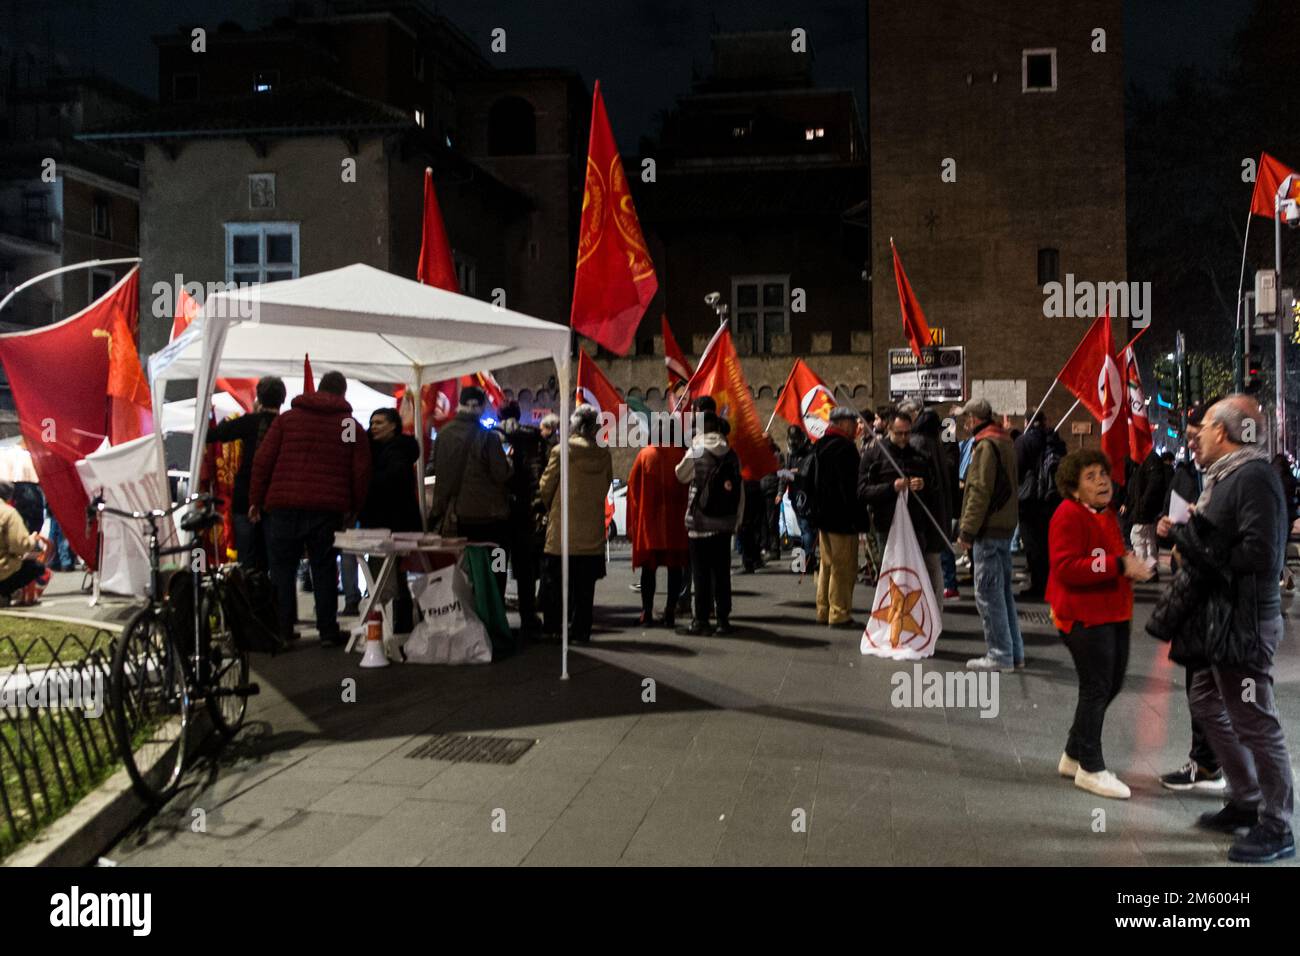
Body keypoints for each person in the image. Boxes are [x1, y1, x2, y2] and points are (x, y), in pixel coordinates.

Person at [1157, 395, 1295, 863]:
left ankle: (1277, 826)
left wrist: (1196, 545)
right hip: (1219, 617)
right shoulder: (1227, 476)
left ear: (1225, 431)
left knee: (1255, 719)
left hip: (1245, 620)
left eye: (1206, 427)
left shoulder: (1253, 476)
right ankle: (1245, 799)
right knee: (1206, 700)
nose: (1196, 437)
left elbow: (1260, 553)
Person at [1047, 450, 1153, 799]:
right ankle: (1090, 767)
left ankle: (1073, 754)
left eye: (1103, 474)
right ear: (1074, 489)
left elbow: (1112, 556)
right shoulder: (1067, 515)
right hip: (1083, 616)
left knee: (1111, 685)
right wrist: (1119, 567)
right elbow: (1066, 568)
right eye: (1090, 476)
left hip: (1114, 612)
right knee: (1096, 688)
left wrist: (1130, 567)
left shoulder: (1106, 514)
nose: (1102, 481)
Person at [249, 370, 370, 646]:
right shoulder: (347, 427)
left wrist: (255, 500)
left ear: (318, 389)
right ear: (342, 394)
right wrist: (353, 509)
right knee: (324, 568)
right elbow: (360, 471)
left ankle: (283, 629)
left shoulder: (287, 420)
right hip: (326, 510)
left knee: (282, 569)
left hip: (283, 506)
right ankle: (327, 631)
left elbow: (262, 461)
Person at [1155, 399, 1225, 794]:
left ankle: (1213, 765)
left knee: (1210, 692)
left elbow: (1221, 550)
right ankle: (1214, 763)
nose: (1192, 444)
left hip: (1217, 609)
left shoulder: (1236, 481)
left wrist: (1182, 535)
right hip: (1204, 605)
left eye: (1197, 436)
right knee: (1204, 689)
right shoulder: (1203, 477)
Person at [955, 397, 1023, 671]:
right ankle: (1013, 652)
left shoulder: (985, 446)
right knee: (1003, 593)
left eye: (966, 418)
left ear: (974, 418)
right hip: (1004, 526)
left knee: (988, 593)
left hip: (988, 528)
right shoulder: (1004, 441)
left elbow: (979, 491)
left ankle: (999, 654)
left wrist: (967, 531)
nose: (964, 423)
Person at [536, 404, 612, 644]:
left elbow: (546, 486)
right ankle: (581, 631)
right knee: (585, 587)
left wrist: (550, 507)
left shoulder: (562, 451)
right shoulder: (603, 452)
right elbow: (607, 483)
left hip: (563, 530)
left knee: (555, 583)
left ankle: (554, 628)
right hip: (591, 531)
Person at [429, 385, 512, 599]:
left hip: (457, 516)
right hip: (490, 516)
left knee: (467, 566)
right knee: (498, 559)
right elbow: (501, 474)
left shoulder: (443, 435)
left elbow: (434, 469)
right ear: (480, 407)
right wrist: (510, 463)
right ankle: (495, 605)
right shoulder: (489, 438)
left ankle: (470, 608)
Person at [859, 410, 944, 606]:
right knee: (891, 575)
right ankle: (892, 618)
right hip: (886, 525)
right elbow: (863, 491)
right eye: (899, 433)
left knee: (914, 575)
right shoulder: (874, 455)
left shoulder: (919, 456)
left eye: (908, 433)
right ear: (889, 429)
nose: (905, 438)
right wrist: (891, 487)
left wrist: (923, 486)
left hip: (915, 525)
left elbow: (934, 491)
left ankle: (913, 617)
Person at [207, 376, 286, 572]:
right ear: (282, 399)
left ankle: (248, 599)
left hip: (245, 499)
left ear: (258, 398)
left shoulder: (249, 422)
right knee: (275, 559)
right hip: (276, 500)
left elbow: (214, 435)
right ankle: (272, 600)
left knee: (247, 560)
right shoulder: (286, 425)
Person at [676, 410, 742, 635]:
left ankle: (701, 620)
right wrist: (736, 520)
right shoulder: (731, 453)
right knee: (722, 573)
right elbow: (739, 491)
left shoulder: (697, 450)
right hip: (724, 524)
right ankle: (723, 619)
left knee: (700, 573)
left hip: (700, 523)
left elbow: (680, 475)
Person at [358, 407, 421, 632]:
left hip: (393, 524)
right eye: (372, 422)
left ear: (393, 426)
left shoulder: (397, 451)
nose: (373, 427)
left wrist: (367, 482)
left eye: (379, 423)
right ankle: (395, 625)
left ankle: (391, 627)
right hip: (385, 523)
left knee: (387, 577)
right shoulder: (374, 448)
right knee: (391, 576)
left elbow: (393, 481)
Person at [627, 431, 690, 627]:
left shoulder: (645, 454)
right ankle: (670, 611)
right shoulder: (683, 455)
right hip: (676, 521)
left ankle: (647, 612)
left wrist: (634, 522)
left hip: (651, 522)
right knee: (675, 568)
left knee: (649, 569)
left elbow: (632, 487)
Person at [497, 402, 548, 637]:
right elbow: (542, 473)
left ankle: (498, 616)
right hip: (526, 512)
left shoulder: (493, 436)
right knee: (525, 568)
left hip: (500, 513)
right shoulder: (534, 437)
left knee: (498, 563)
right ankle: (529, 616)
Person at [809, 406, 863, 627]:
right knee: (844, 566)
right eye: (852, 422)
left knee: (827, 565)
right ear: (841, 423)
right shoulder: (845, 448)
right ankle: (839, 613)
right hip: (842, 518)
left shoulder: (821, 444)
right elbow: (851, 487)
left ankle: (823, 610)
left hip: (823, 517)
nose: (856, 426)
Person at [1014, 412, 1066, 599]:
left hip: (1029, 501)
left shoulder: (1024, 442)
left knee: (1033, 547)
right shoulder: (1056, 442)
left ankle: (1039, 587)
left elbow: (1016, 470)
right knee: (1049, 544)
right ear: (1045, 422)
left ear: (1028, 422)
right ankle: (1052, 584)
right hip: (1052, 499)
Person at [1125, 448, 1171, 577]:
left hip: (1143, 511)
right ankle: (1151, 567)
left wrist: (1141, 506)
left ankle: (1146, 569)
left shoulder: (1147, 462)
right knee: (1149, 540)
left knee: (1138, 539)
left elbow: (1149, 487)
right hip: (1148, 511)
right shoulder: (1150, 461)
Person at [0, 481, 48, 605]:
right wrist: (31, 539)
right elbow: (20, 546)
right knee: (36, 567)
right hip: (2, 570)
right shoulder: (9, 514)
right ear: (9, 496)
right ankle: (3, 593)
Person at [782, 425, 818, 571]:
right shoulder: (792, 453)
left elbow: (806, 473)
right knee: (804, 529)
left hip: (806, 494)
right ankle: (807, 558)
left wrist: (792, 473)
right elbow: (788, 471)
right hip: (795, 494)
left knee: (806, 528)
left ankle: (808, 559)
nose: (793, 443)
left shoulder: (810, 452)